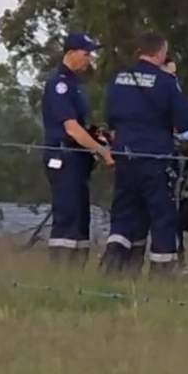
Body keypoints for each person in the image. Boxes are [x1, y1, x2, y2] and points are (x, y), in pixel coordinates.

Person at [100, 32, 188, 275]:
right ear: (160, 53)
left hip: (124, 156)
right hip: (156, 159)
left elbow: (110, 119)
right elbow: (184, 124)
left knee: (122, 213)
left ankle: (112, 264)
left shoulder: (118, 79)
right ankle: (161, 272)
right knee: (162, 215)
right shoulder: (165, 82)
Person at [39, 32, 113, 265]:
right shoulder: (58, 84)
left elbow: (81, 126)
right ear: (70, 53)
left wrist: (97, 135)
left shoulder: (74, 84)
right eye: (86, 53)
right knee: (67, 214)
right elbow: (71, 128)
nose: (89, 58)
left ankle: (77, 269)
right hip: (63, 156)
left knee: (81, 215)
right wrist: (100, 151)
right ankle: (61, 268)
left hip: (78, 159)